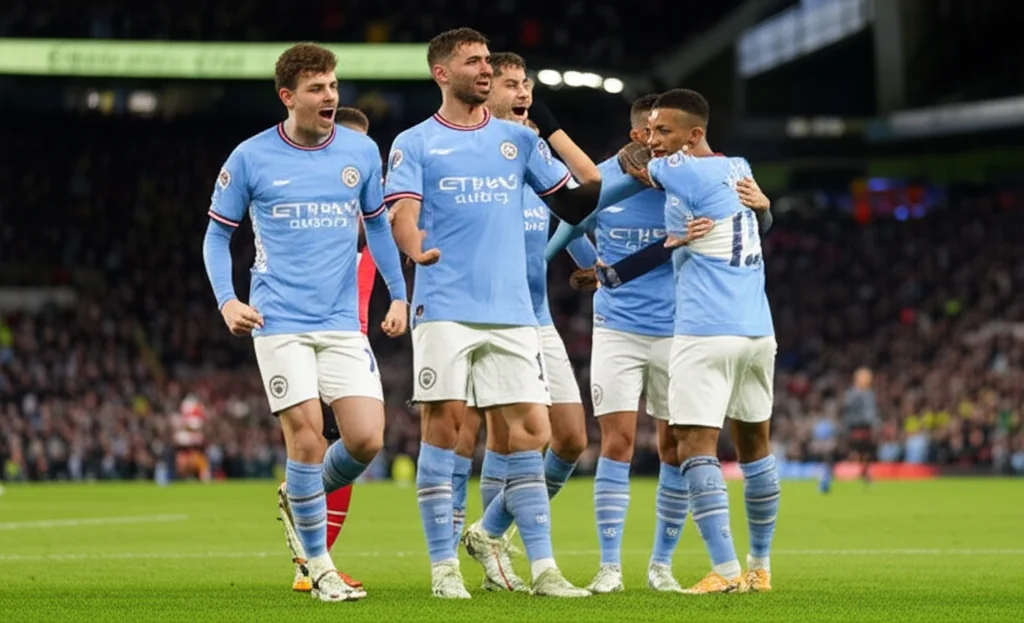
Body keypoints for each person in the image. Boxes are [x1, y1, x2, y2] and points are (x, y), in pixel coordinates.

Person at [384, 27, 621, 598]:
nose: (486, 69)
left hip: (514, 311)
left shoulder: (518, 141)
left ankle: (543, 569)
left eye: (488, 59)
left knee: (533, 432)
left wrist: (564, 143)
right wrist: (414, 246)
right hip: (445, 305)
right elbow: (402, 214)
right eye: (474, 61)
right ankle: (444, 569)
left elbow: (578, 199)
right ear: (443, 73)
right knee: (446, 429)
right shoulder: (415, 142)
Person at [202, 43, 409, 603]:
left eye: (333, 86)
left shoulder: (360, 151)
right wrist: (227, 301)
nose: (330, 96)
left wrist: (397, 295)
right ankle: (319, 568)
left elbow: (379, 227)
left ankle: (300, 494)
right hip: (279, 320)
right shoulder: (250, 157)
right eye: (317, 88)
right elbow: (217, 235)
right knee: (307, 436)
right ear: (288, 97)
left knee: (366, 438)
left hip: (341, 321)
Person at [622, 88, 780, 594]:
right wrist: (767, 208)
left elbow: (633, 164)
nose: (653, 140)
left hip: (707, 328)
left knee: (693, 446)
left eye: (663, 131)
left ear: (693, 136)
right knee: (755, 448)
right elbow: (757, 216)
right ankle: (759, 568)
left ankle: (726, 571)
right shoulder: (739, 166)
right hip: (758, 331)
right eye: (651, 130)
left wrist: (639, 151)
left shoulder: (680, 170)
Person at [449, 52, 594, 593]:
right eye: (510, 83)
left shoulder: (535, 155)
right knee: (514, 441)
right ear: (485, 94)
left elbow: (574, 209)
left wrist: (595, 265)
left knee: (571, 439)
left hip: (539, 317)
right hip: (491, 318)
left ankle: (489, 532)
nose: (523, 91)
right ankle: (532, 566)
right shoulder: (476, 158)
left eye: (526, 83)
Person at [283, 106, 377, 593]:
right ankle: (311, 566)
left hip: (352, 337)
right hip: (312, 333)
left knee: (355, 445)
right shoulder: (320, 200)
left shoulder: (372, 198)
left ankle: (310, 547)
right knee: (320, 443)